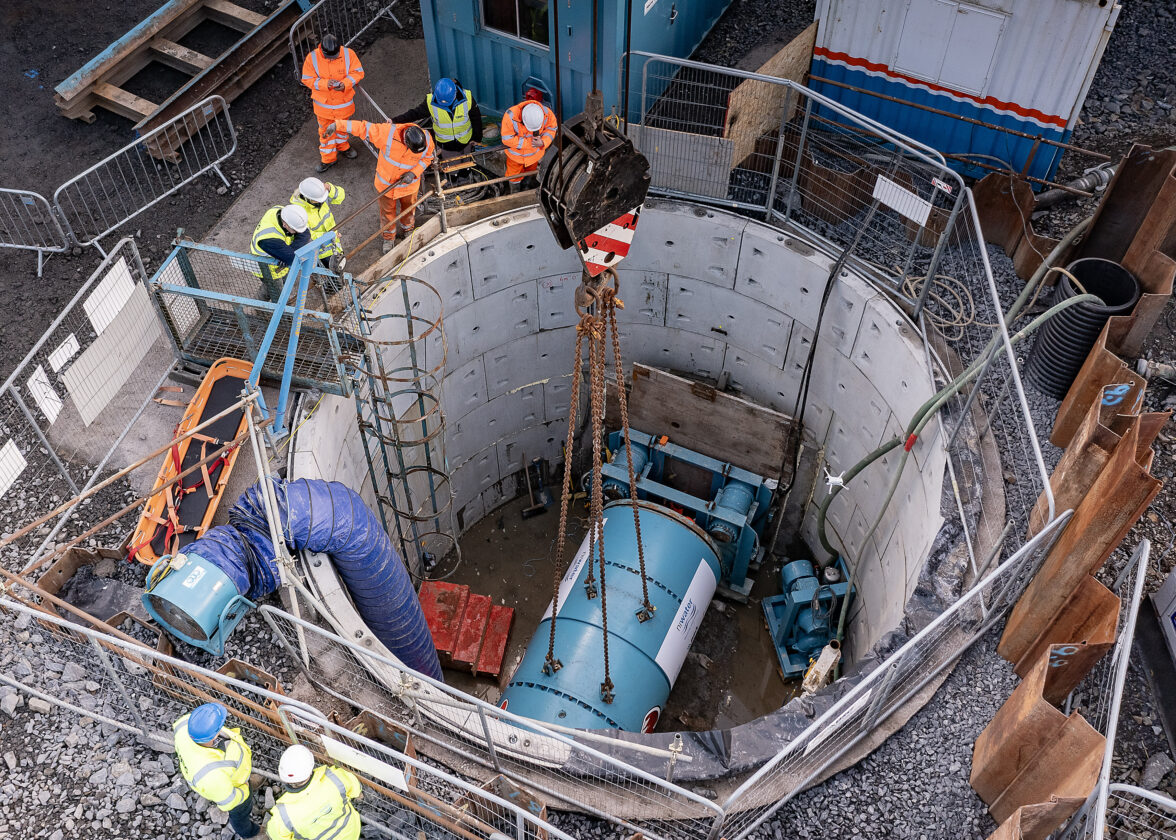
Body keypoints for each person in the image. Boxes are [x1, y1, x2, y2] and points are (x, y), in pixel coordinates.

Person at [323, 119, 434, 253]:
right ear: (406, 141)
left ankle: (408, 230)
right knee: (387, 214)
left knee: (409, 210)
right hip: (386, 188)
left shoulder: (426, 139)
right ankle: (388, 238)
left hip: (409, 187)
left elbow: (428, 158)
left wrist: (413, 173)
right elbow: (363, 128)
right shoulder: (387, 134)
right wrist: (337, 125)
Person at [174, 703, 259, 839]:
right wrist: (244, 790)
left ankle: (247, 778)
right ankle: (249, 832)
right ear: (213, 736)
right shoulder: (212, 776)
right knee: (240, 813)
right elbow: (229, 801)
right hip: (235, 786)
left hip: (223, 777)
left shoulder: (184, 725)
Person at [266, 744, 363, 840]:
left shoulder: (283, 814)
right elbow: (355, 788)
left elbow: (277, 836)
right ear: (311, 766)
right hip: (351, 833)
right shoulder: (335, 778)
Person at [301, 33, 364, 172]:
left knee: (342, 128)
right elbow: (306, 79)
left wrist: (345, 84)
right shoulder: (312, 58)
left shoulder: (349, 54)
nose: (332, 59)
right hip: (324, 109)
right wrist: (325, 84)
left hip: (343, 106)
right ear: (322, 50)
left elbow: (358, 72)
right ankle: (328, 159)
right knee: (325, 133)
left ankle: (343, 146)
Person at [392, 77, 483, 155]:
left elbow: (476, 119)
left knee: (466, 166)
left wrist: (477, 138)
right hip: (446, 145)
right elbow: (415, 114)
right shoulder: (430, 102)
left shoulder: (467, 98)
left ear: (455, 93)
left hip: (466, 141)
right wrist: (394, 121)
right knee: (451, 170)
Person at [250, 204, 310, 301]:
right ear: (285, 225)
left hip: (280, 265)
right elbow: (292, 258)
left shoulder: (283, 212)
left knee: (273, 287)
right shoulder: (269, 239)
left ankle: (258, 303)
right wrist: (289, 254)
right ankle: (264, 308)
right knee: (277, 294)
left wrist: (290, 251)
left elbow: (305, 234)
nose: (298, 232)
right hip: (268, 270)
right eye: (295, 230)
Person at [501, 88, 557, 191]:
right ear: (522, 118)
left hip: (534, 156)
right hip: (515, 158)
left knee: (530, 174)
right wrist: (529, 143)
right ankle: (515, 193)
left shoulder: (546, 114)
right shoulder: (510, 116)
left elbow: (552, 128)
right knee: (514, 177)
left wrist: (543, 142)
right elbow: (507, 139)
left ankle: (526, 188)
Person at [290, 176, 345, 269]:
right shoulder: (298, 212)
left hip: (333, 245)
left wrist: (329, 187)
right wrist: (330, 236)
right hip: (319, 254)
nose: (323, 201)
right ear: (307, 198)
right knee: (329, 277)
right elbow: (307, 236)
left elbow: (340, 197)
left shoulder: (318, 197)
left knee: (338, 270)